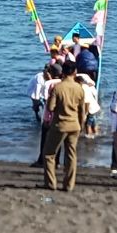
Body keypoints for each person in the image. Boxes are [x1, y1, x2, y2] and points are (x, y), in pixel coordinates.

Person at [41, 62, 85, 191]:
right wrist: (81, 125)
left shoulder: (57, 87)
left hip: (60, 124)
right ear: (75, 72)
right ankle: (69, 185)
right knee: (71, 155)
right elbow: (82, 111)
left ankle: (51, 183)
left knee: (49, 154)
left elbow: (50, 107)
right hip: (74, 125)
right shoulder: (79, 88)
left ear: (62, 72)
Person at [30, 64, 62, 168]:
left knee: (44, 140)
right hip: (60, 117)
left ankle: (41, 161)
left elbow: (46, 98)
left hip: (49, 117)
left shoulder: (49, 84)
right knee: (58, 141)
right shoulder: (62, 83)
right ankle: (57, 161)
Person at [79, 73, 100, 138]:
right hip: (95, 108)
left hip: (91, 110)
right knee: (93, 123)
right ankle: (96, 134)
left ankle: (89, 137)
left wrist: (85, 114)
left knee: (88, 125)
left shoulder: (83, 89)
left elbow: (87, 103)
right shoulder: (86, 86)